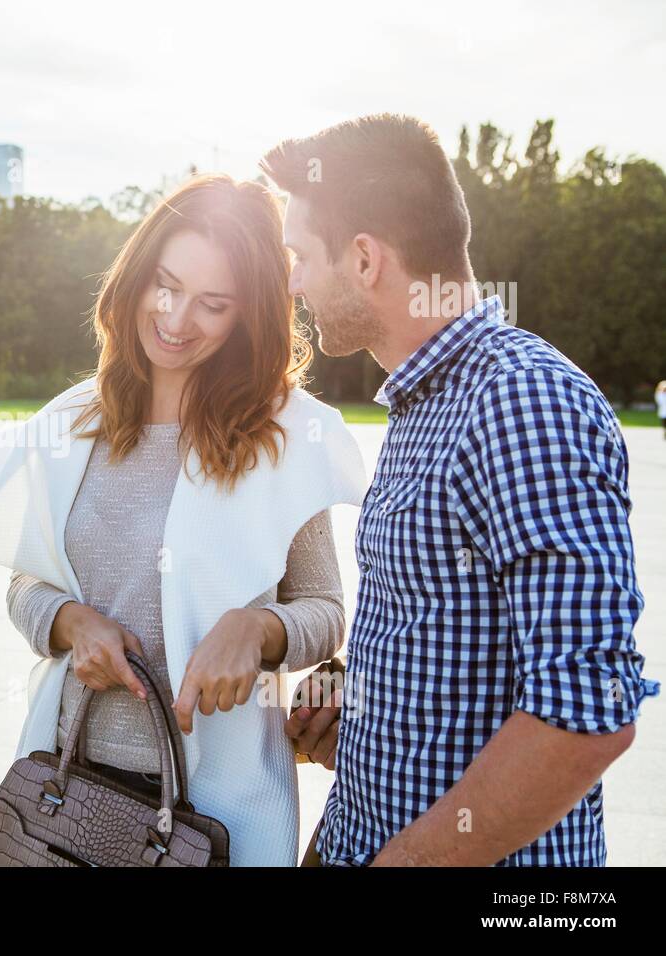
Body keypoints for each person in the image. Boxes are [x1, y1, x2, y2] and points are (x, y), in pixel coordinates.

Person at [267, 113, 658, 865]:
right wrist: (365, 698)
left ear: (364, 258)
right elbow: (465, 635)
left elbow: (586, 715)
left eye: (300, 257)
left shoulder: (521, 401)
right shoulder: (424, 403)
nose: (293, 283)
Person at [0, 174, 367, 866]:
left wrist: (258, 629)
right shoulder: (73, 421)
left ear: (248, 315)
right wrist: (68, 622)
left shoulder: (282, 436)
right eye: (165, 286)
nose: (176, 321)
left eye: (213, 304)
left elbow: (324, 609)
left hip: (219, 807)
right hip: (67, 784)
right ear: (136, 278)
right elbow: (27, 584)